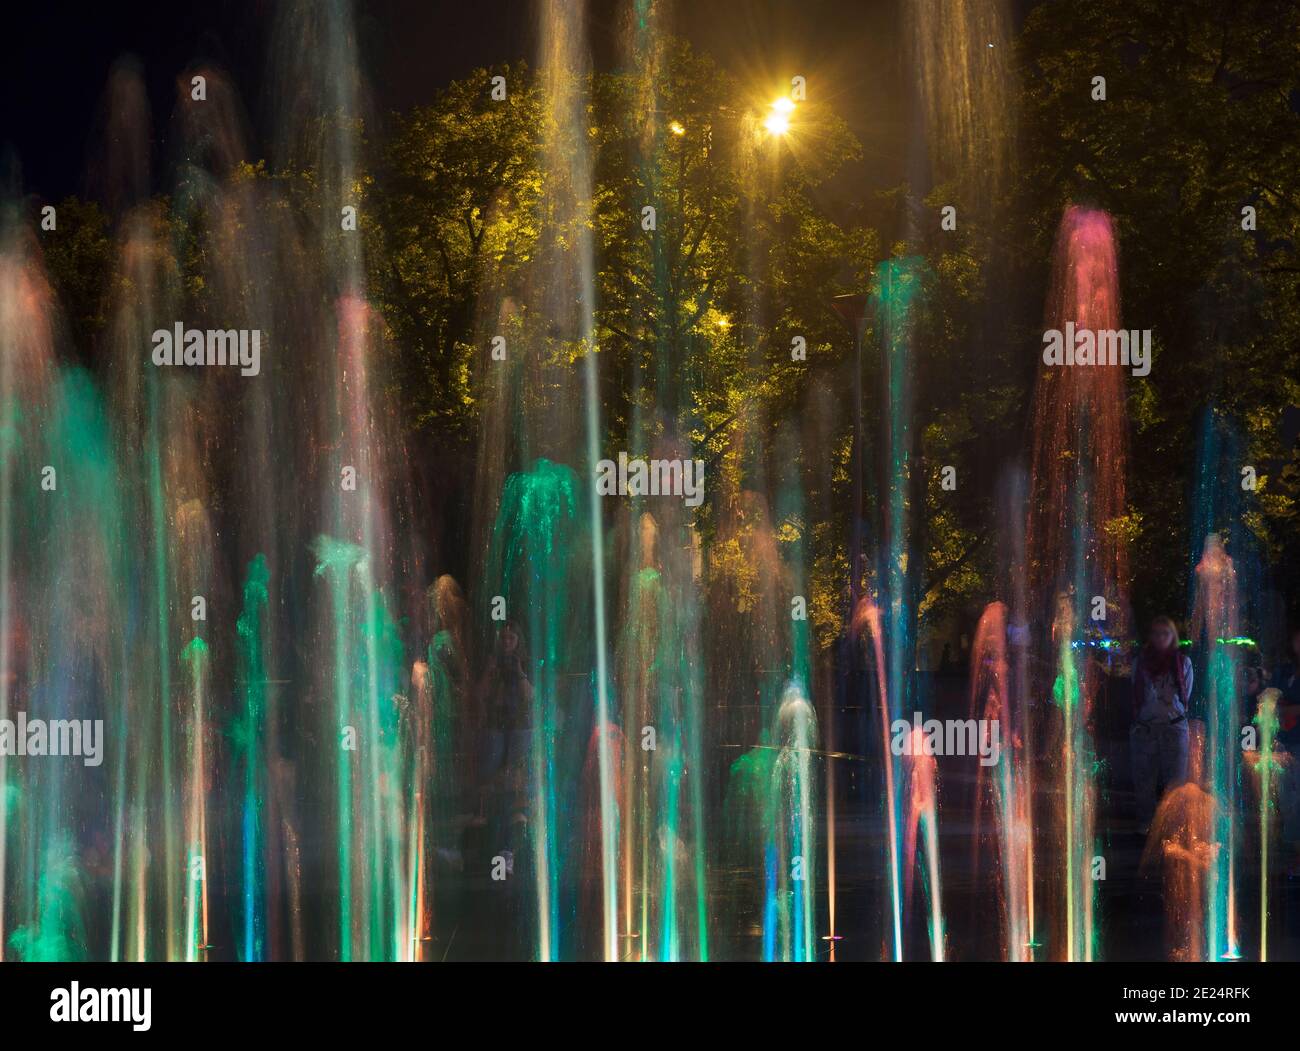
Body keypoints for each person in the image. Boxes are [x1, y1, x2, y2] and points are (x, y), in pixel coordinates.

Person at [1131, 615, 1193, 835]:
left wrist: (1169, 699)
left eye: (1165, 633)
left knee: (1175, 781)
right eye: (1156, 633)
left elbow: (1186, 697)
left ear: (1172, 636)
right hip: (1146, 727)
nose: (1160, 638)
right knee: (1144, 781)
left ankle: (1174, 827)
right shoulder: (1141, 662)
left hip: (1173, 727)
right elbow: (1137, 694)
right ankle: (1146, 826)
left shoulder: (1182, 662)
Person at [1270, 627, 1300, 874]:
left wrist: (1292, 709)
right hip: (1285, 742)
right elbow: (1272, 697)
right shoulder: (1285, 670)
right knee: (1287, 800)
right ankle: (1295, 852)